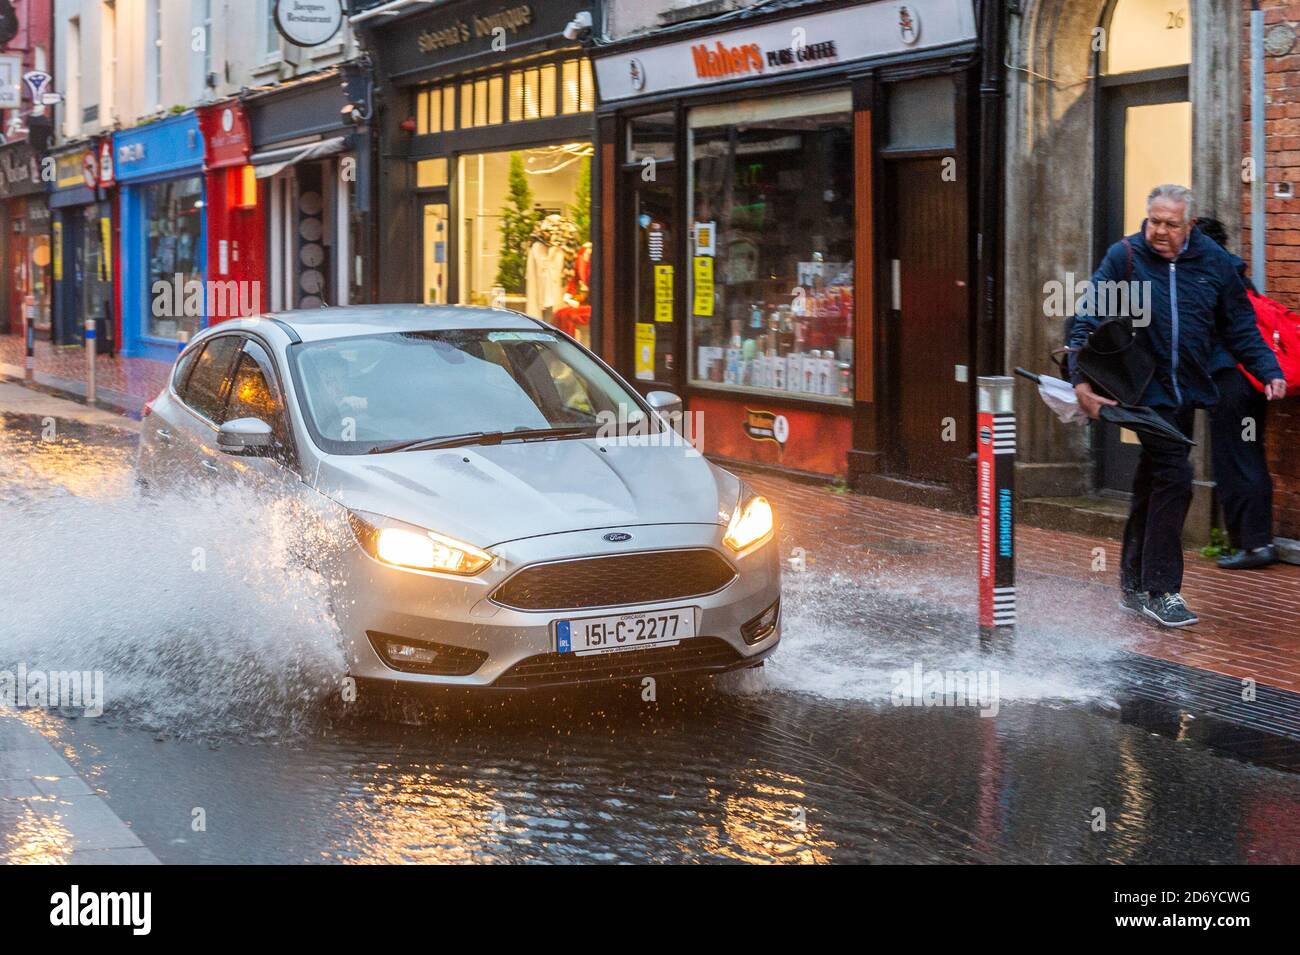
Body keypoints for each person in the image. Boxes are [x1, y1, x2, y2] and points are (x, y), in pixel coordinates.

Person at [1068, 185, 1286, 628]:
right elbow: (1087, 316)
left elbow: (1241, 327)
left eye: (1170, 224)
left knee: (1153, 479)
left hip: (1186, 391)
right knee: (1176, 474)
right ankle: (1161, 590)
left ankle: (1132, 583)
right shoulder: (1125, 256)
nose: (1159, 231)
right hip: (1142, 391)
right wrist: (1079, 379)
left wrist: (1267, 370)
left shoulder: (1217, 265)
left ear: (1189, 225)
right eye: (1153, 221)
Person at [1195, 216, 1278, 570]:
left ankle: (1252, 545)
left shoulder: (1210, 278)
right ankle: (1256, 541)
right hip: (1252, 384)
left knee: (1235, 459)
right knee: (1250, 454)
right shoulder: (1239, 277)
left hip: (1230, 383)